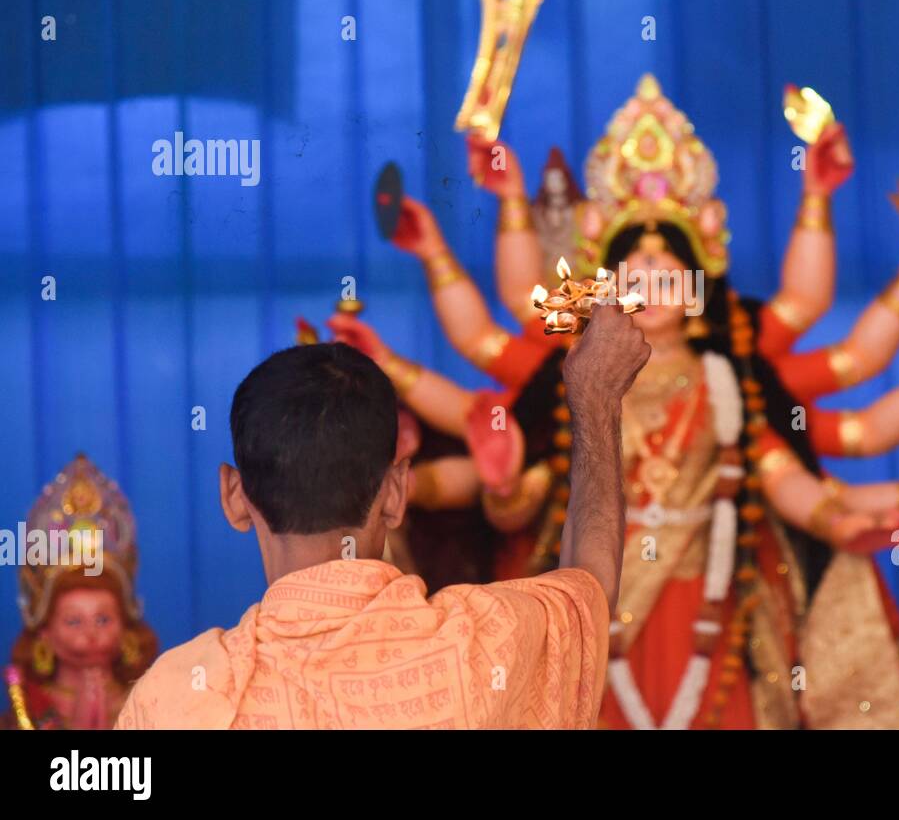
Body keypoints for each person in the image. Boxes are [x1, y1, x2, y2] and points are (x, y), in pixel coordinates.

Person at [355, 75, 899, 728]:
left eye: (669, 272)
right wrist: (502, 480)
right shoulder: (574, 367)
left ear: (699, 285)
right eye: (631, 273)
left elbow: (797, 468)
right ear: (602, 285)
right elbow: (495, 343)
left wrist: (845, 524)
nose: (650, 283)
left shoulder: (731, 377)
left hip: (714, 604)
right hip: (594, 597)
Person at [114, 303, 649, 729]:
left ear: (233, 495)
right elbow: (590, 592)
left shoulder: (178, 697)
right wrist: (596, 399)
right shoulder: (482, 643)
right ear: (396, 493)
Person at [4, 455, 159, 729]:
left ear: (125, 625)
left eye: (103, 619)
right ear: (45, 633)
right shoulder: (26, 710)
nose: (90, 634)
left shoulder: (152, 699)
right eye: (73, 621)